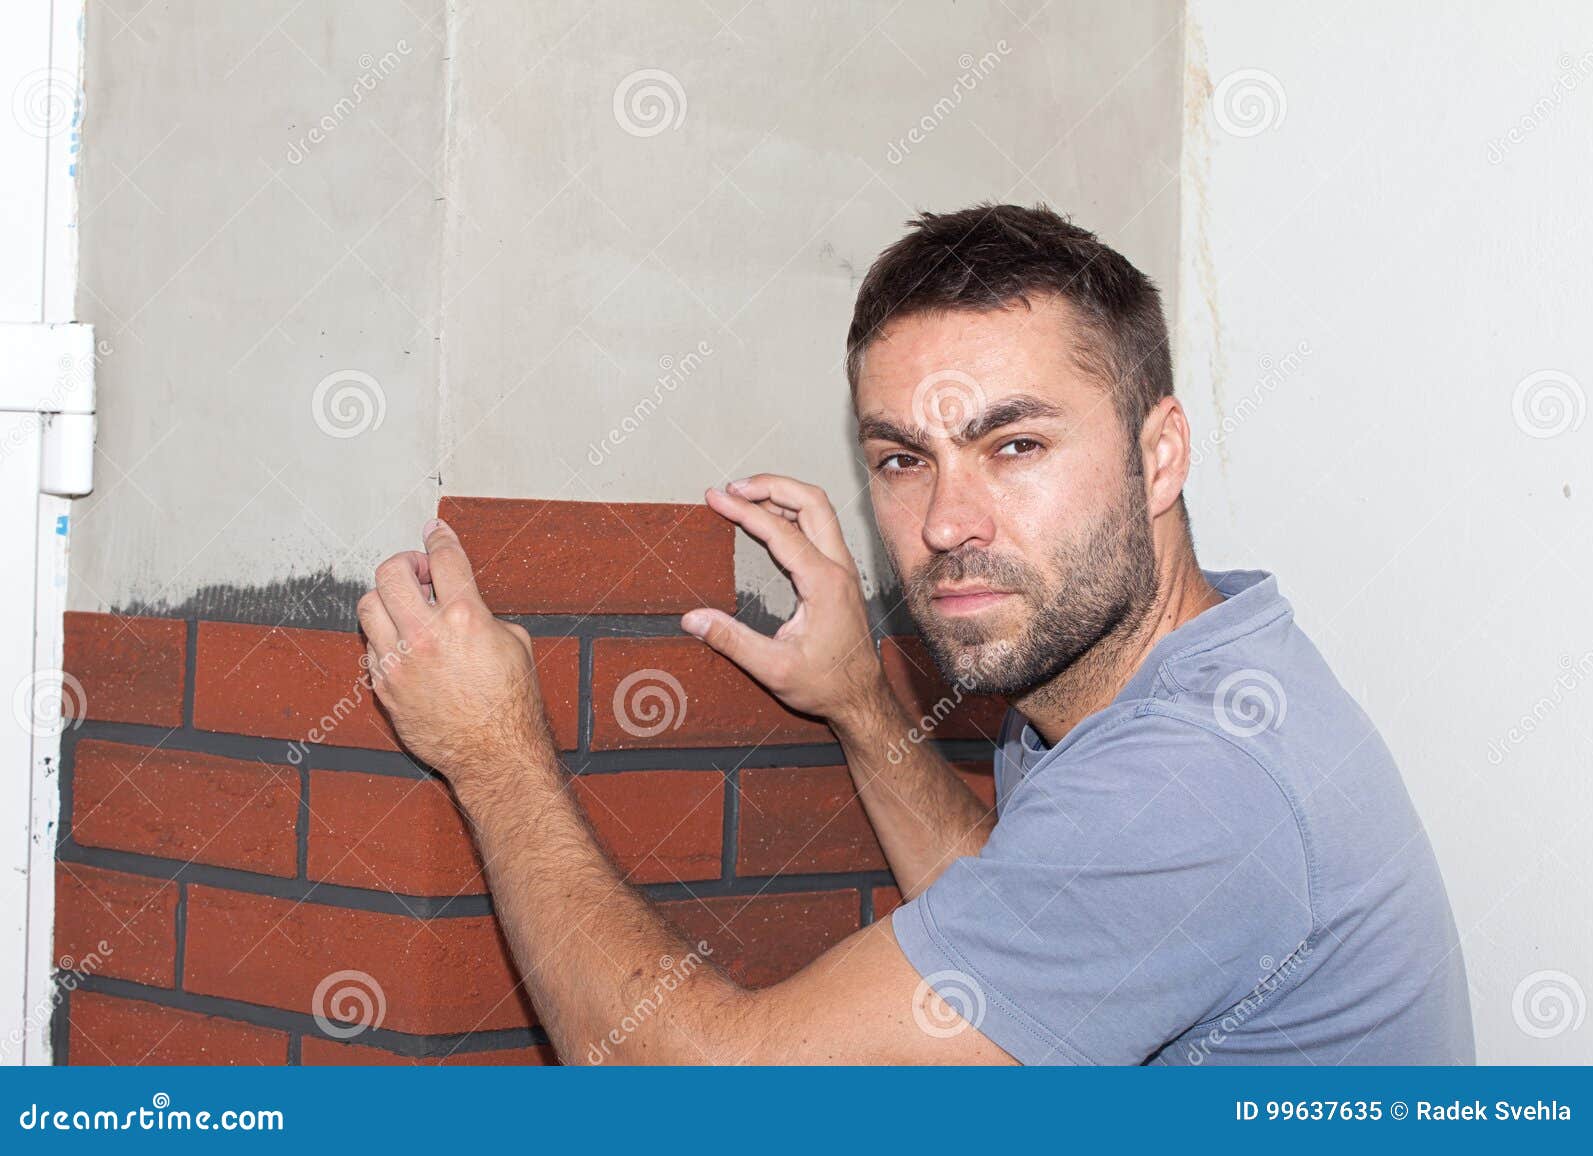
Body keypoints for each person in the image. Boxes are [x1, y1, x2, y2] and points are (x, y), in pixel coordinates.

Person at [356, 203, 1474, 1065]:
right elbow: (1028, 921)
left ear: (1160, 454)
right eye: (901, 459)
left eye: (1016, 446)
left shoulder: (1192, 782)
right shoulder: (1163, 663)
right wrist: (857, 699)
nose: (945, 524)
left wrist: (494, 752)